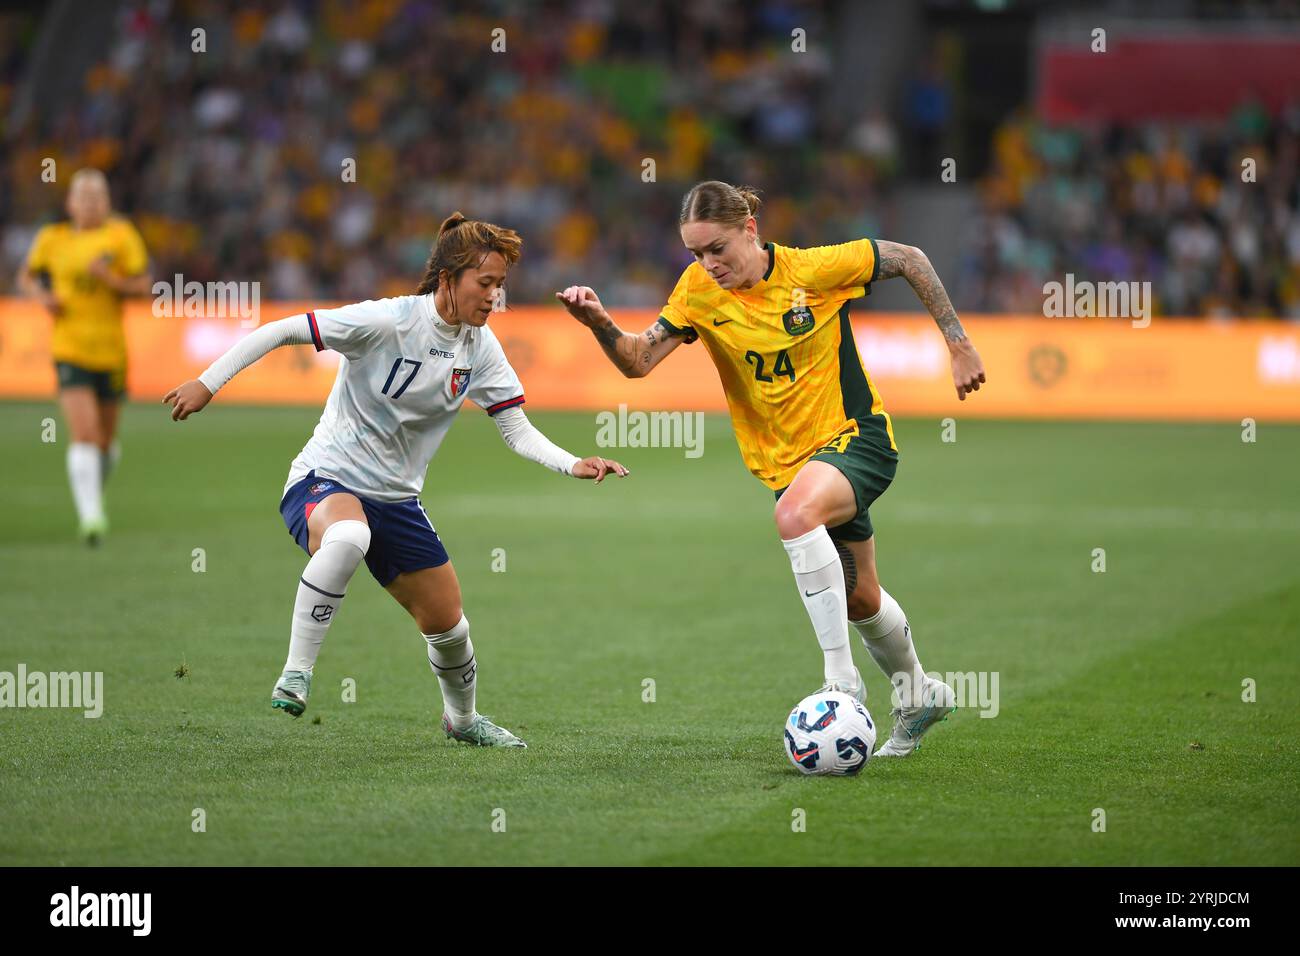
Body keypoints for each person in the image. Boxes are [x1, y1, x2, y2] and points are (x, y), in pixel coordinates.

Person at [164, 213, 628, 748]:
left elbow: (516, 429)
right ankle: (297, 671)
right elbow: (282, 328)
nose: (495, 298)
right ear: (450, 277)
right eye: (486, 284)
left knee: (450, 630)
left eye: (501, 286)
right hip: (325, 478)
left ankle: (463, 721)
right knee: (349, 536)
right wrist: (207, 382)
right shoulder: (387, 321)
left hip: (397, 501)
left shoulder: (480, 349)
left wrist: (573, 463)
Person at [557, 181, 986, 757]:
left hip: (856, 439)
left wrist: (956, 344)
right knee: (859, 597)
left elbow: (911, 258)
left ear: (749, 230)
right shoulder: (698, 294)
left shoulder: (813, 270)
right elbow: (638, 362)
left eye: (716, 249)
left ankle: (841, 683)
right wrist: (599, 323)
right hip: (786, 464)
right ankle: (919, 695)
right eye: (695, 254)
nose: (708, 265)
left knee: (795, 515)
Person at [16, 169, 152, 545]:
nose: (91, 203)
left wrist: (108, 279)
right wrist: (42, 297)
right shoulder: (52, 239)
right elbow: (26, 276)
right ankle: (92, 518)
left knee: (106, 443)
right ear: (70, 203)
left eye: (98, 196)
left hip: (111, 352)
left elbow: (143, 287)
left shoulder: (121, 235)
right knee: (86, 433)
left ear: (107, 202)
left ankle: (92, 495)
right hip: (69, 349)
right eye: (84, 196)